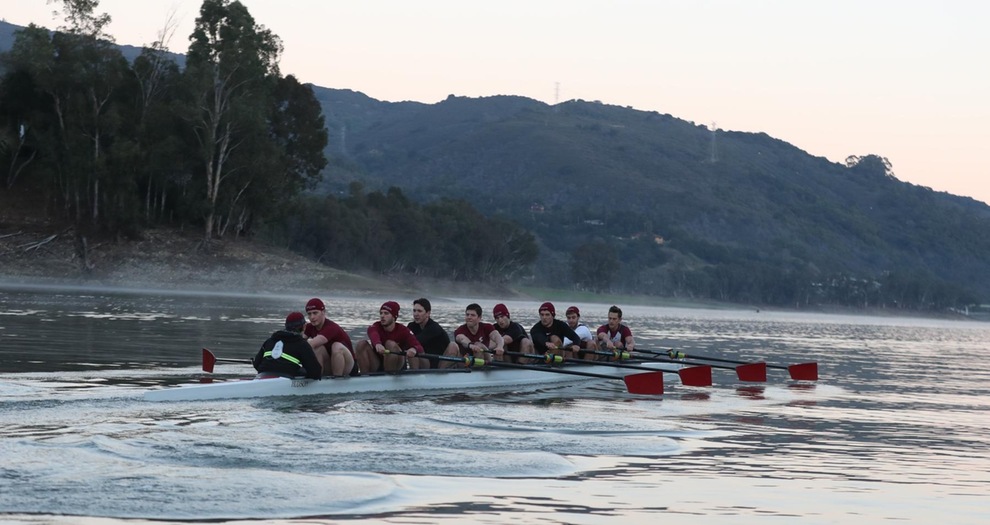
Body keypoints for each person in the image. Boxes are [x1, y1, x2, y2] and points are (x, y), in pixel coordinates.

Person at [355, 301, 425, 373]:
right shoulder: (375, 326)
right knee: (361, 344)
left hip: (397, 365)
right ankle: (364, 376)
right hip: (378, 363)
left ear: (394, 317)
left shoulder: (403, 330)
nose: (382, 316)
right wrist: (377, 344)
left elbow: (418, 346)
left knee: (390, 344)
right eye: (381, 313)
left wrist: (414, 349)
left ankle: (388, 376)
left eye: (386, 313)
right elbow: (372, 333)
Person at [253, 312, 323, 380]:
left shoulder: (269, 341)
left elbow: (256, 364)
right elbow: (315, 373)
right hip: (286, 378)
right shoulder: (302, 344)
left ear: (286, 326)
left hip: (262, 375)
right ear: (304, 327)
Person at [303, 297, 356, 377]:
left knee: (336, 346)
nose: (312, 317)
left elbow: (311, 344)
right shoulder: (309, 327)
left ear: (323, 312)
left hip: (348, 366)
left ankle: (337, 382)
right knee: (319, 348)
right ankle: (317, 377)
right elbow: (300, 342)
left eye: (315, 313)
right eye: (309, 314)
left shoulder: (331, 327)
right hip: (331, 364)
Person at [407, 297, 460, 369]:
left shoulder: (434, 328)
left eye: (419, 311)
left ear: (428, 313)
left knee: (453, 345)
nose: (416, 314)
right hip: (425, 361)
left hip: (440, 364)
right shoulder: (411, 326)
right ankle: (411, 373)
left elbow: (417, 341)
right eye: (414, 311)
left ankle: (440, 374)